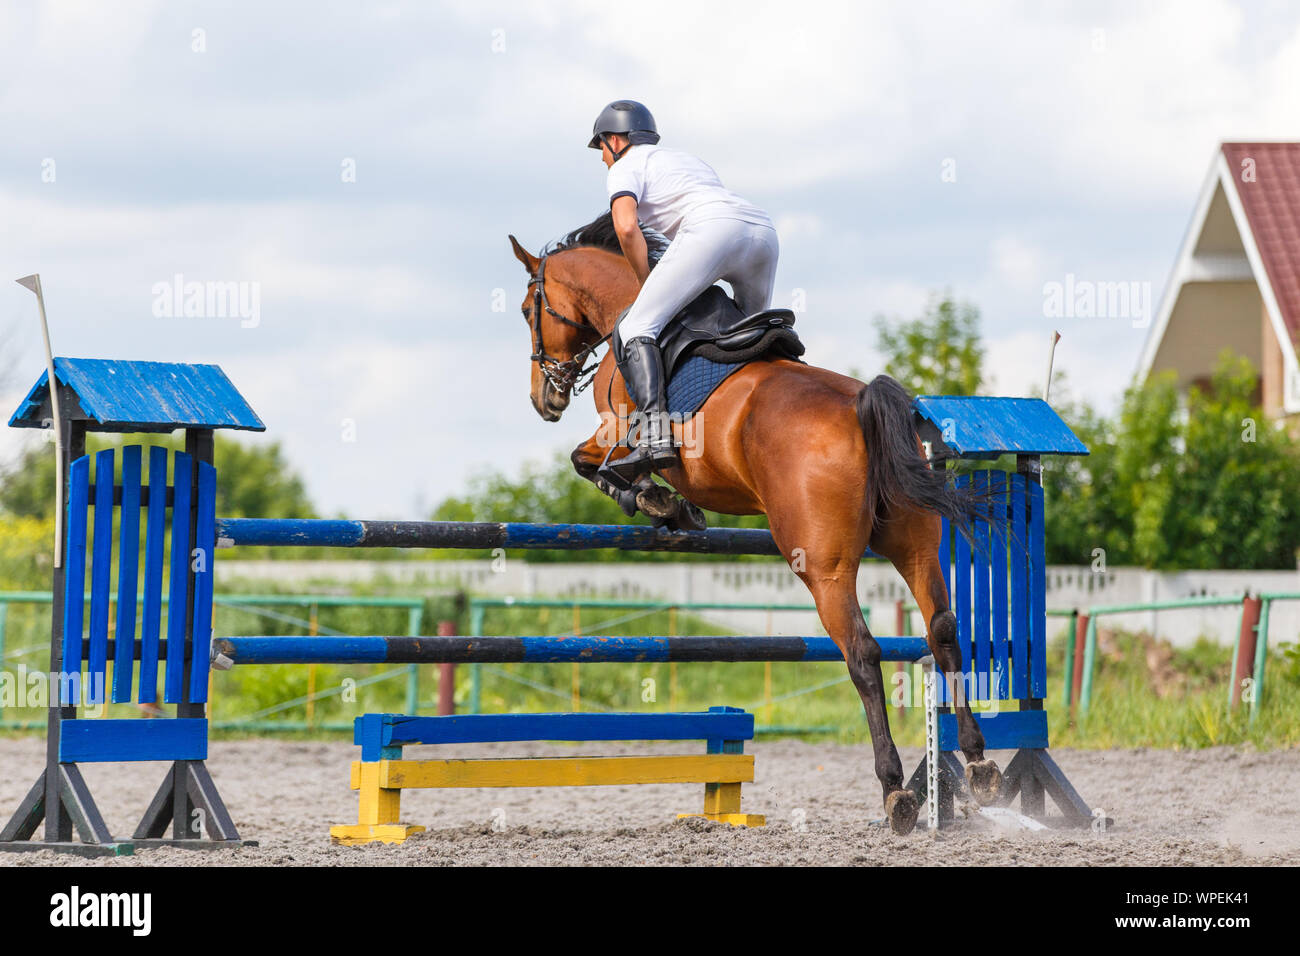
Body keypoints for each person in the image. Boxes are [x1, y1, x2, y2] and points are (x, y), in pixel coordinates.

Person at [590, 99, 779, 484]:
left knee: (635, 327)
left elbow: (627, 229)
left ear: (613, 140)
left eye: (601, 150)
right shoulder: (684, 160)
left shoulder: (625, 166)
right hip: (762, 232)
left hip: (713, 230)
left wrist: (644, 282)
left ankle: (656, 435)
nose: (603, 160)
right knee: (747, 334)